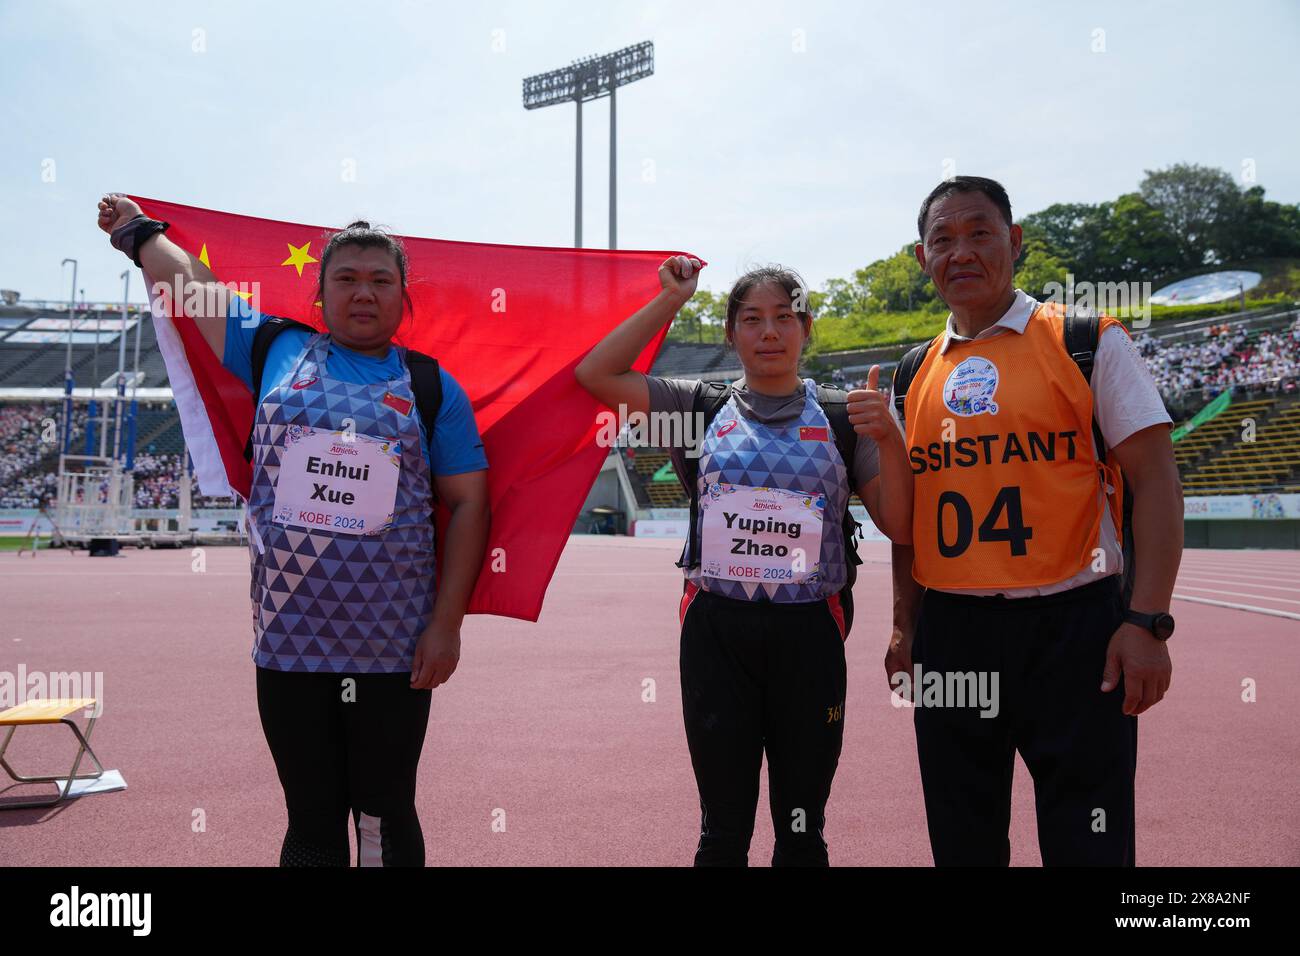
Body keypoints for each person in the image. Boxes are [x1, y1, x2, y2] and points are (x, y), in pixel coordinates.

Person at [97, 194, 490, 866]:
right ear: (321, 291)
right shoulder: (274, 347)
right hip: (290, 642)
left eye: (380, 280)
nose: (362, 293)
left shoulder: (429, 386)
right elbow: (195, 287)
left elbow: (471, 507)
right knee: (310, 818)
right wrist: (138, 235)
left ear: (403, 296)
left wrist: (447, 623)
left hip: (391, 647)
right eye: (346, 278)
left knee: (384, 815)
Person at [576, 258, 912, 866]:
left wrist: (889, 439)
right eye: (752, 320)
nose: (769, 333)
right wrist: (671, 301)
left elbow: (901, 525)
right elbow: (595, 372)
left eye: (785, 317)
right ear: (730, 333)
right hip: (717, 634)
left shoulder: (843, 416)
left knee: (802, 830)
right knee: (722, 831)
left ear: (807, 329)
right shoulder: (696, 408)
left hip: (810, 634)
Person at [886, 176, 1181, 866]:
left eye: (979, 233)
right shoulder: (912, 373)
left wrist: (1148, 622)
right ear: (922, 257)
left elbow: (1158, 484)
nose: (960, 252)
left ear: (1015, 242)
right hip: (953, 631)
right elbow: (911, 518)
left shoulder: (1085, 340)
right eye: (942, 240)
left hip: (1075, 629)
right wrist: (905, 623)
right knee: (963, 841)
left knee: (1090, 842)